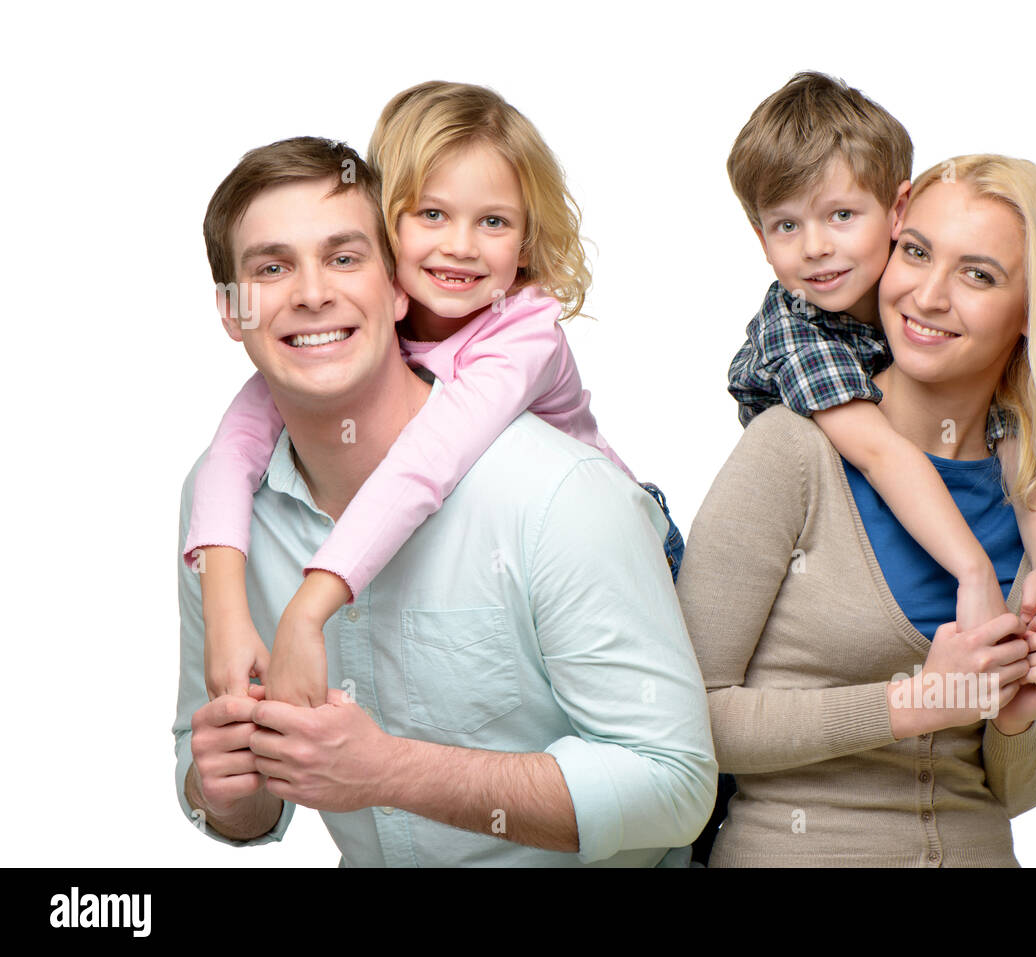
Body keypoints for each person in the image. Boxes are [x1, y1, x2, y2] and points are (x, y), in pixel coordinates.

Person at [172, 135, 716, 866]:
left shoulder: (556, 492)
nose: (309, 293)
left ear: (397, 285)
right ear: (231, 309)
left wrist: (391, 769)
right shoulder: (225, 509)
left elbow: (676, 786)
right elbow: (220, 789)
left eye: (343, 257)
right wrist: (228, 794)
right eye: (271, 267)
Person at [678, 154, 1036, 867]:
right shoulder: (793, 451)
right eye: (915, 252)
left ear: (1033, 313)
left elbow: (1013, 791)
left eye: (978, 274)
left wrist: (1019, 725)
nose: (927, 295)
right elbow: (688, 721)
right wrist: (918, 702)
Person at [183, 81, 685, 708]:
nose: (461, 246)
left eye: (494, 221)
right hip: (494, 555)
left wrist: (310, 607)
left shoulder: (524, 332)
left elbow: (428, 461)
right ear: (388, 230)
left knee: (703, 748)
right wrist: (226, 615)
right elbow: (232, 450)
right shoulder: (365, 325)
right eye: (431, 214)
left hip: (623, 548)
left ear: (526, 243)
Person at [726, 72, 1036, 638]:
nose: (815, 248)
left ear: (898, 208)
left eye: (841, 216)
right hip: (824, 514)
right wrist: (973, 572)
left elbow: (1015, 431)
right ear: (761, 238)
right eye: (786, 225)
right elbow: (881, 453)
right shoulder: (795, 327)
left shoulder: (915, 291)